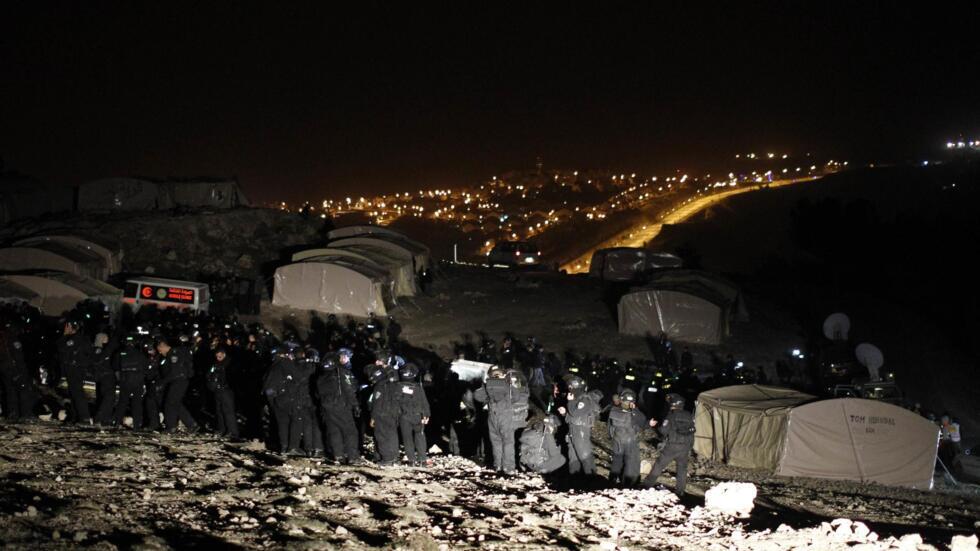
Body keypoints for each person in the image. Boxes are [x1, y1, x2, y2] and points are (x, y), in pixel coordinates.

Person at [474, 367, 529, 473]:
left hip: (492, 418)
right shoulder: (506, 385)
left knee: (496, 442)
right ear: (502, 375)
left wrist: (486, 389)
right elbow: (516, 397)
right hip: (505, 417)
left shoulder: (489, 386)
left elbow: (478, 396)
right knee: (508, 442)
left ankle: (498, 465)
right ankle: (508, 467)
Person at [642, 393, 696, 495]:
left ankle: (646, 485)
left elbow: (663, 431)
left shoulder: (671, 415)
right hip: (685, 446)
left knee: (659, 465)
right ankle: (680, 491)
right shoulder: (689, 415)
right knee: (682, 469)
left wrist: (657, 427)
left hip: (672, 446)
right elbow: (692, 431)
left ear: (673, 404)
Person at [316, 348, 361, 464]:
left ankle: (338, 456)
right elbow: (349, 389)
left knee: (334, 431)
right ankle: (353, 457)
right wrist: (355, 405)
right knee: (350, 431)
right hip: (341, 406)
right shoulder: (341, 372)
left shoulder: (320, 375)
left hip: (326, 408)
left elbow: (317, 394)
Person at [558, 375, 602, 476]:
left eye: (570, 388)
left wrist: (570, 401)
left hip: (581, 431)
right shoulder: (577, 399)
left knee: (584, 456)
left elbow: (576, 413)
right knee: (573, 457)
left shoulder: (584, 400)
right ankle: (575, 480)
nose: (569, 391)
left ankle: (591, 479)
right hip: (573, 430)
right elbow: (572, 415)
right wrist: (565, 413)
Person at [156, 337, 198, 433]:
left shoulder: (173, 354)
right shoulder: (173, 353)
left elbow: (174, 372)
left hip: (179, 381)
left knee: (170, 404)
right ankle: (191, 424)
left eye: (160, 349)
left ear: (163, 346)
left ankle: (171, 427)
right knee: (175, 403)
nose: (160, 352)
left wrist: (163, 382)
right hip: (179, 380)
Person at [607, 389, 647, 486]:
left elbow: (609, 426)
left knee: (617, 461)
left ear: (621, 399)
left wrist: (612, 436)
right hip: (630, 441)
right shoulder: (633, 413)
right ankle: (626, 483)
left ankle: (612, 479)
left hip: (617, 440)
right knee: (630, 461)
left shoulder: (614, 410)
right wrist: (635, 410)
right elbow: (643, 423)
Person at [57, 320, 93, 424]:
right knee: (74, 394)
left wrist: (64, 335)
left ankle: (84, 418)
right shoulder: (82, 338)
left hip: (75, 369)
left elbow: (61, 347)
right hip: (76, 369)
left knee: (77, 394)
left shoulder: (75, 339)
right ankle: (76, 417)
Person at [366, 359, 401, 465]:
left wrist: (373, 417)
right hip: (393, 413)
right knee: (392, 435)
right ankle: (395, 457)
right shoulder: (393, 384)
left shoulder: (379, 387)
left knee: (381, 436)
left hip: (382, 414)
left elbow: (376, 404)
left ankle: (387, 459)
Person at [397, 362, 430, 466]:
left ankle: (412, 460)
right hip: (417, 416)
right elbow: (424, 402)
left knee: (407, 438)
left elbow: (395, 402)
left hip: (404, 416)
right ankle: (422, 460)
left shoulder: (398, 386)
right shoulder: (418, 387)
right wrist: (426, 414)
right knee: (420, 437)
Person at [113, 335, 148, 430]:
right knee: (136, 403)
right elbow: (145, 368)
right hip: (137, 381)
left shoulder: (120, 353)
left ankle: (117, 422)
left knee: (122, 402)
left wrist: (119, 380)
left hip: (125, 380)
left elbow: (116, 369)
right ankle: (137, 424)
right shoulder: (140, 354)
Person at [0, 325, 34, 421]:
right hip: (15, 369)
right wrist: (22, 370)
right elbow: (19, 357)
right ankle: (26, 414)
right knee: (23, 391)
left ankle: (12, 413)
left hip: (5, 370)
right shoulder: (12, 340)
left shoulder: (3, 340)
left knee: (11, 392)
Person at [206, 347, 239, 438]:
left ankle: (232, 431)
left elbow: (232, 376)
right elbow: (209, 374)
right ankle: (222, 429)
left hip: (226, 390)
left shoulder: (229, 363)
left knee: (228, 411)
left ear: (224, 354)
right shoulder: (215, 364)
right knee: (219, 411)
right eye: (217, 356)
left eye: (220, 356)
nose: (218, 357)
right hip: (217, 390)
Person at [90, 332, 117, 426]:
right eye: (105, 338)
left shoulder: (97, 349)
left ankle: (106, 419)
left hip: (104, 376)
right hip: (106, 376)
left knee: (108, 398)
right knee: (108, 398)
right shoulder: (99, 350)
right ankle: (99, 417)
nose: (107, 339)